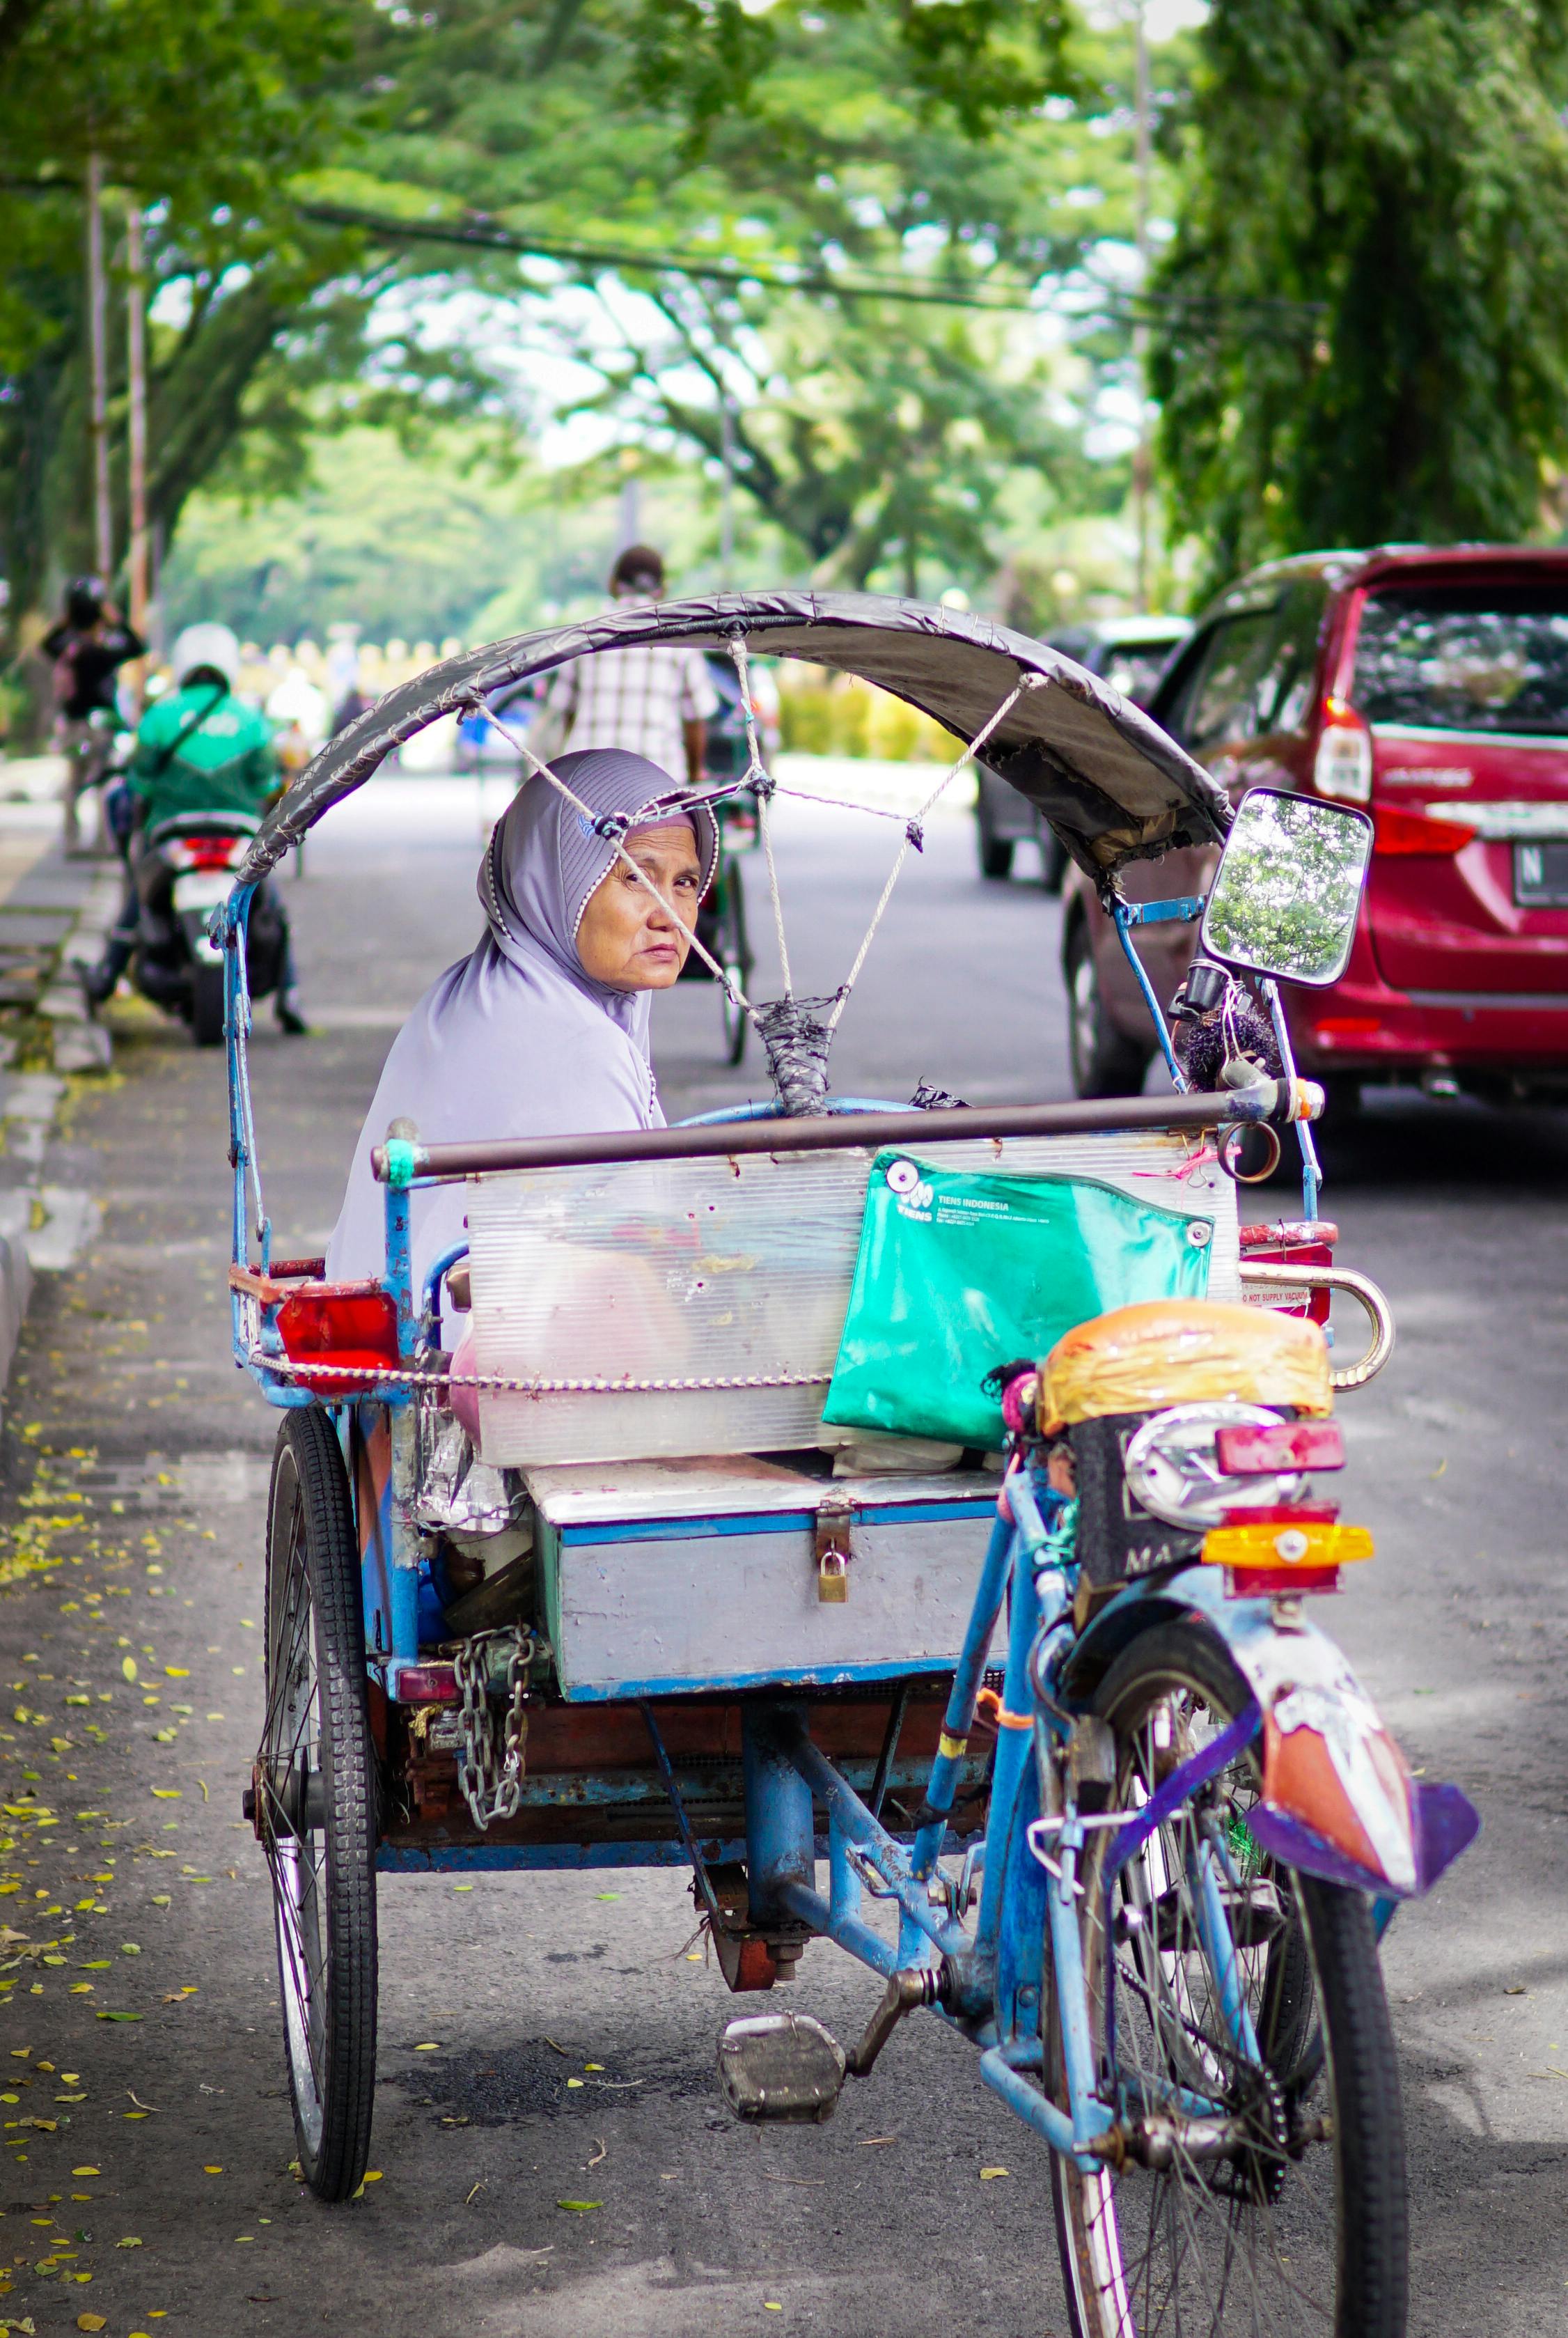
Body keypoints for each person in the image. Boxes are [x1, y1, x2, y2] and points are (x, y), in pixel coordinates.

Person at [325, 748, 716, 1311]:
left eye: (685, 882)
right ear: (554, 879)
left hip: (382, 1354)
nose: (670, 914)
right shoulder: (580, 1048)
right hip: (467, 1375)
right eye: (637, 876)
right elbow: (631, 1286)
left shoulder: (467, 994)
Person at [84, 622, 308, 1032]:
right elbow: (265, 784)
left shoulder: (159, 717)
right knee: (270, 904)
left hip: (173, 834)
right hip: (239, 835)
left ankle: (105, 976)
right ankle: (289, 996)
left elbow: (139, 780)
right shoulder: (250, 721)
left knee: (139, 896)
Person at [540, 545, 717, 784]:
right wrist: (695, 773)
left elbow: (563, 711)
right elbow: (695, 719)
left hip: (587, 778)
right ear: (662, 588)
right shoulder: (679, 638)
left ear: (613, 584)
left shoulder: (585, 634)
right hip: (656, 779)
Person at [41, 577, 145, 854]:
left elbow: (46, 644)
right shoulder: (108, 647)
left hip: (75, 723)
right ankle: (105, 841)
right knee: (103, 781)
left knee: (75, 782)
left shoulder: (68, 646)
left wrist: (65, 621)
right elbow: (137, 646)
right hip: (102, 724)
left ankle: (73, 841)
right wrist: (115, 618)